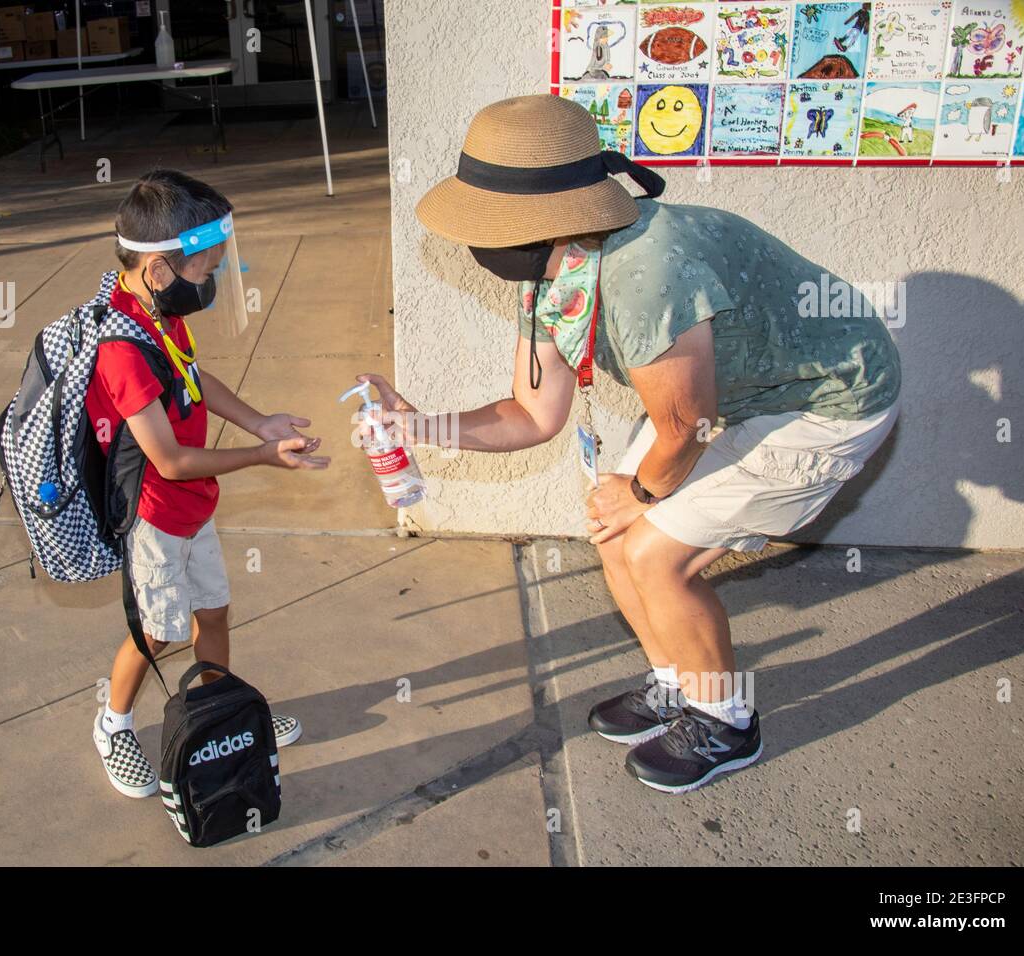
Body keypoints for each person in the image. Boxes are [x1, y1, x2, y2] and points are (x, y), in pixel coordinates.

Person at [360, 95, 901, 794]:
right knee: (614, 537)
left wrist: (641, 492)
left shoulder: (647, 272)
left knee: (652, 552)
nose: (479, 239)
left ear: (548, 218)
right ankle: (679, 680)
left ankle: (727, 721)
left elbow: (687, 425)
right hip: (732, 397)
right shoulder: (551, 273)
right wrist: (421, 426)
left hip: (825, 400)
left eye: (491, 220)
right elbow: (532, 415)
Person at [87, 170, 329, 798]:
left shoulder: (156, 312)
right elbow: (169, 460)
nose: (213, 281)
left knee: (214, 612)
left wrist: (258, 420)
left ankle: (221, 707)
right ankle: (112, 725)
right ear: (160, 269)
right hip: (157, 515)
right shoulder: (122, 348)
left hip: (194, 508)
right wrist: (260, 454)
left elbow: (195, 378)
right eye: (204, 269)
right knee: (158, 631)